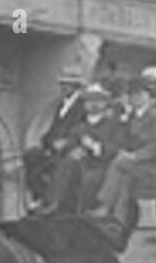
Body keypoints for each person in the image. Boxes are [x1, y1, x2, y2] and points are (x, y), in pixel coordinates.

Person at [89, 76, 156, 247]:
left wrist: (134, 156)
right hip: (135, 165)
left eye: (140, 95)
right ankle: (118, 223)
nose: (135, 98)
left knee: (119, 164)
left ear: (148, 96)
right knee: (125, 177)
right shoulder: (130, 116)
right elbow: (124, 139)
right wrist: (124, 150)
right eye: (132, 95)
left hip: (153, 164)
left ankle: (105, 205)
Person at [43, 82, 123, 214]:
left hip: (102, 166)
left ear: (105, 103)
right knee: (67, 163)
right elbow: (70, 144)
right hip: (78, 165)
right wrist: (70, 149)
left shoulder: (114, 125)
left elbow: (116, 147)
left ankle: (83, 211)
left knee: (90, 178)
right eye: (90, 100)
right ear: (85, 104)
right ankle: (55, 203)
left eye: (98, 100)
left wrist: (94, 147)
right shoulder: (79, 127)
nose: (94, 104)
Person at [25, 66, 89, 211]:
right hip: (54, 147)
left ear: (75, 86)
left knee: (59, 164)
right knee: (31, 156)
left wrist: (66, 143)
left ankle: (52, 201)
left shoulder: (83, 105)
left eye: (67, 84)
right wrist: (47, 142)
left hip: (73, 149)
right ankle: (38, 195)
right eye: (63, 84)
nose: (63, 87)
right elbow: (53, 129)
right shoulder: (61, 104)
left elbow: (82, 130)